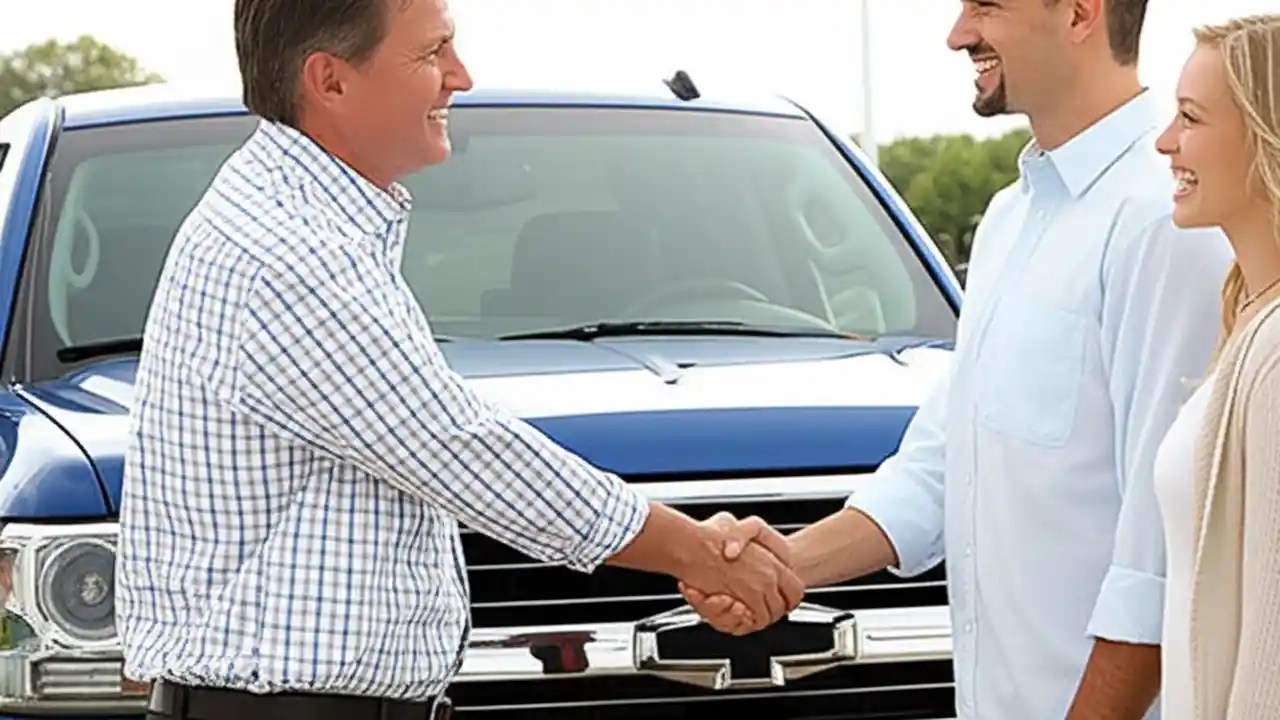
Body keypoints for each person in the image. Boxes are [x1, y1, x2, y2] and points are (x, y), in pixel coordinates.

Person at [113, 1, 801, 718]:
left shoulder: (301, 224)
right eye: (432, 52)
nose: (461, 77)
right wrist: (693, 550)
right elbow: (462, 450)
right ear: (330, 81)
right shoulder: (287, 254)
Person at [682, 1, 1236, 718]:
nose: (958, 33)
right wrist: (782, 567)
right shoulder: (1009, 219)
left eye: (986, 6)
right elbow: (938, 470)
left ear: (1079, 13)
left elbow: (1160, 557)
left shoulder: (1167, 223)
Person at [1150, 14, 1280, 720]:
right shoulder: (1253, 327)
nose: (1165, 141)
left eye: (1191, 118)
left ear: (1266, 136)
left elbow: (1272, 656)